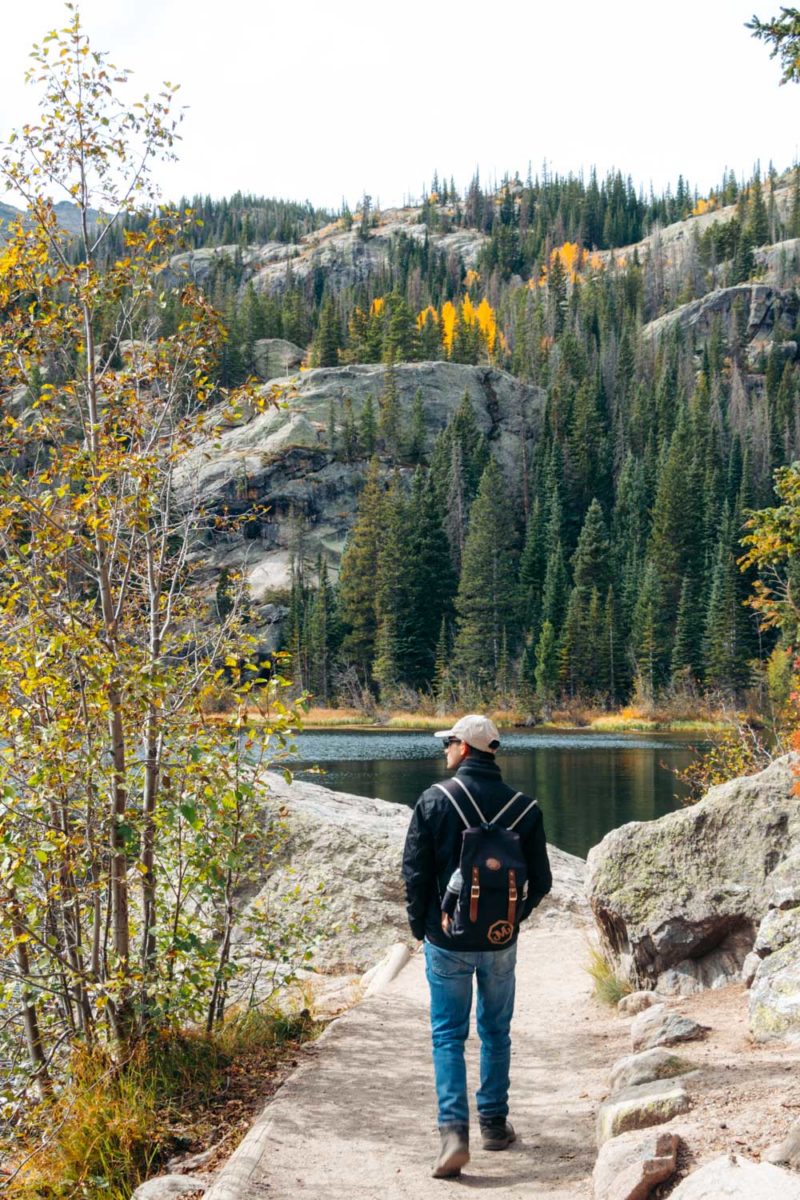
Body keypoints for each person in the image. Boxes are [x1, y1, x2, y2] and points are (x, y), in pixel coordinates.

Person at [402, 714, 552, 1179]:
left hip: (446, 938)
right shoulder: (525, 809)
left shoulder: (434, 800)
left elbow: (415, 873)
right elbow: (542, 881)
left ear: (465, 748)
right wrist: (511, 922)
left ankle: (453, 1134)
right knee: (495, 1030)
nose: (444, 749)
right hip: (499, 941)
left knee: (448, 1034)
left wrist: (422, 927)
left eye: (448, 742)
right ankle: (494, 1124)